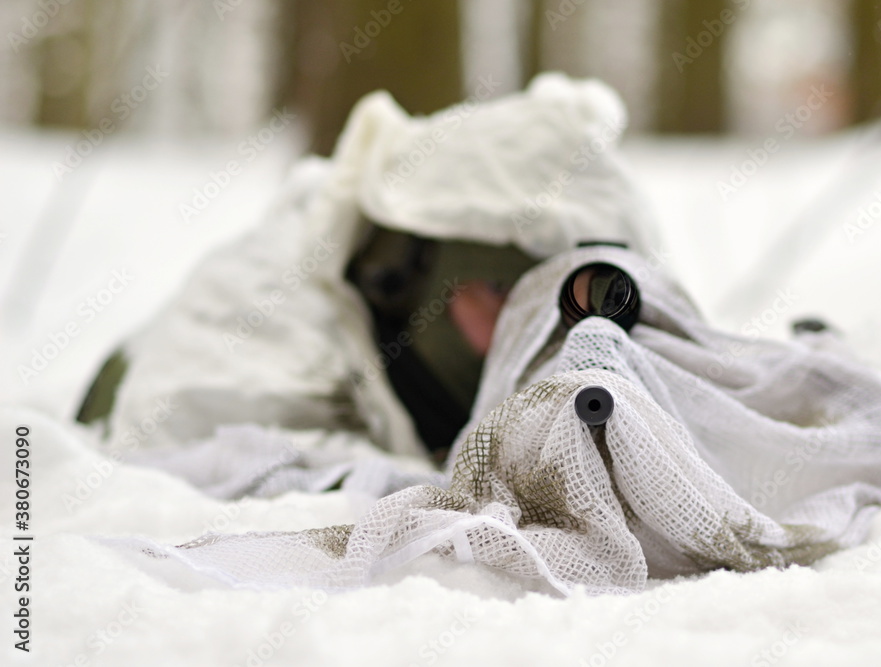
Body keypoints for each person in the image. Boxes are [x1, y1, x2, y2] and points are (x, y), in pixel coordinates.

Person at [77, 73, 662, 465]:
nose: (533, 329)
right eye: (500, 288)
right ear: (400, 277)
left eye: (573, 301)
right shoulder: (273, 328)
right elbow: (182, 456)